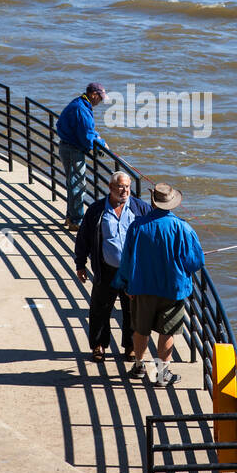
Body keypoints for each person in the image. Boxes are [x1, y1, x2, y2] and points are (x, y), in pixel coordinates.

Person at [114, 181, 204, 386]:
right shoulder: (183, 228)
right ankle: (162, 374)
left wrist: (125, 283)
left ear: (152, 202)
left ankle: (138, 365)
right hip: (172, 289)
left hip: (142, 287)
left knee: (140, 329)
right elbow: (196, 262)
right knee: (167, 331)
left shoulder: (137, 226)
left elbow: (126, 259)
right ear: (172, 204)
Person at [74, 171, 150, 361]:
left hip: (132, 271)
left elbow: (154, 232)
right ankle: (99, 345)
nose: (124, 191)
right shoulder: (96, 210)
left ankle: (131, 346)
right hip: (105, 268)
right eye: (120, 187)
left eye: (127, 187)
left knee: (132, 309)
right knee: (100, 308)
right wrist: (80, 264)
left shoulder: (140, 208)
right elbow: (83, 237)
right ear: (110, 188)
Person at [55, 83, 109, 231]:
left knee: (72, 183)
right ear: (93, 94)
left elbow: (85, 130)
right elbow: (86, 138)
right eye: (100, 97)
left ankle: (70, 216)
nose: (101, 101)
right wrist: (101, 144)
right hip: (73, 150)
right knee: (78, 185)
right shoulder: (82, 109)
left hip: (66, 146)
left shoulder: (79, 103)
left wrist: (96, 137)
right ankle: (76, 221)